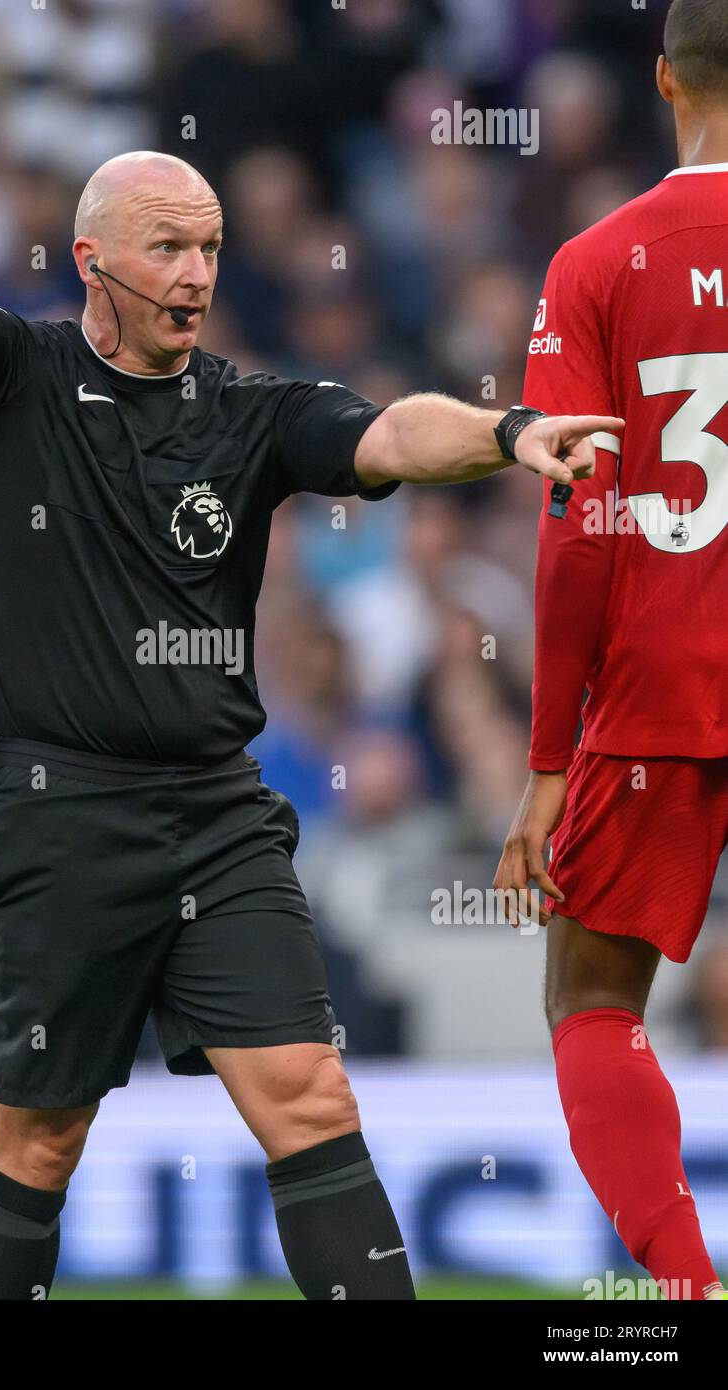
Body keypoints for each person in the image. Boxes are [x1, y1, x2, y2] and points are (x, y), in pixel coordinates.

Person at [0, 35, 620, 1301]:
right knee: (41, 1138)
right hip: (59, 811)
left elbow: (392, 429)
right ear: (94, 264)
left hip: (218, 813)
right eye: (168, 247)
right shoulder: (16, 379)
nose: (196, 273)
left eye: (211, 248)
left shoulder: (250, 412)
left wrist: (511, 431)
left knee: (309, 1091)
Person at [494, 0, 728, 1302]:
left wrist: (543, 763)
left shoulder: (596, 259)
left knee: (590, 991)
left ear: (662, 79)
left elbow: (577, 527)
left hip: (656, 687)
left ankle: (686, 1287)